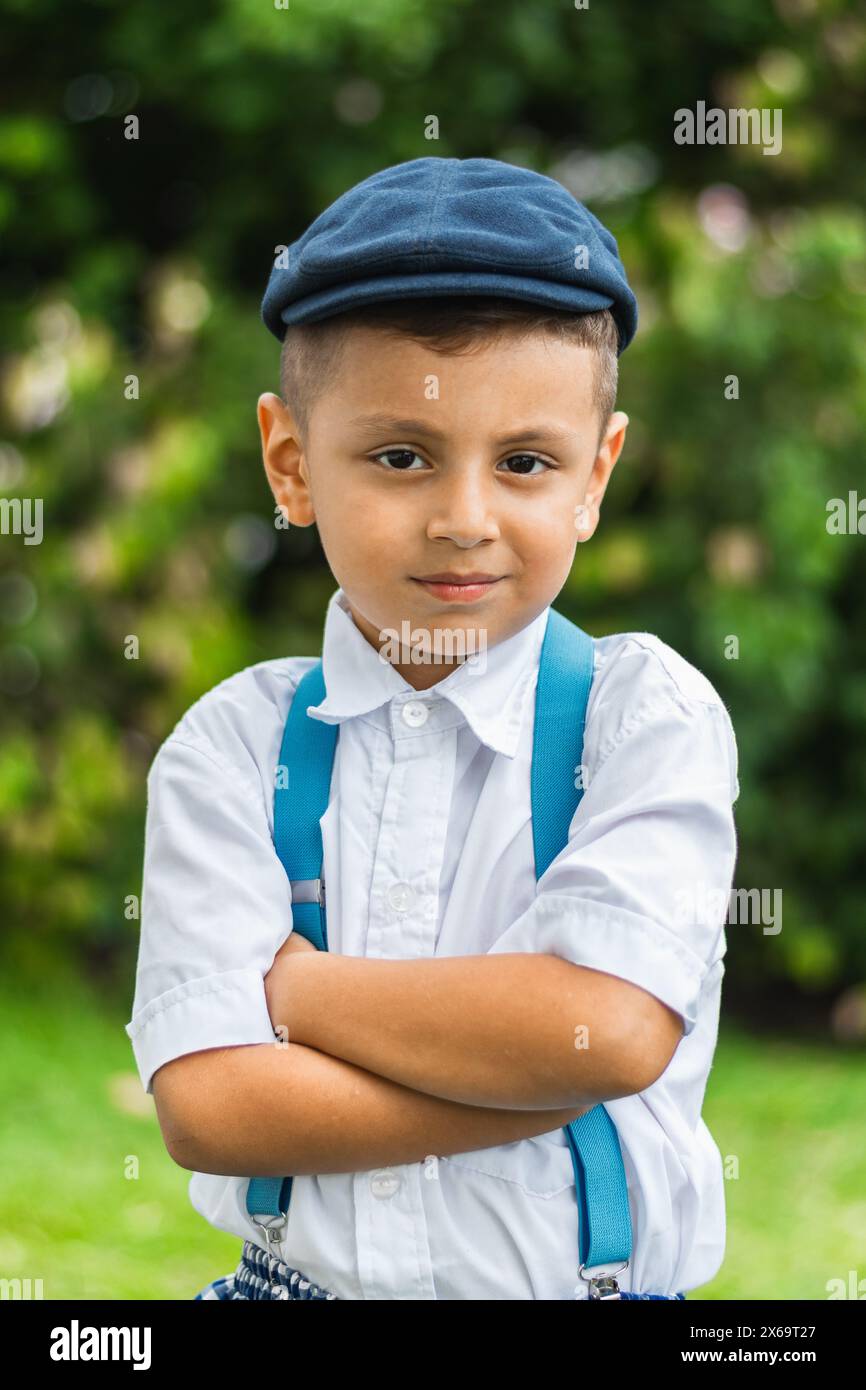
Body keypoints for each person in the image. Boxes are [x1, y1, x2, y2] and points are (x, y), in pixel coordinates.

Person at [125, 156, 739, 1301]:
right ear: (291, 462)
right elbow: (212, 1108)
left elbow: (599, 1035)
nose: (464, 519)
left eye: (523, 463)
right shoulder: (231, 747)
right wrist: (515, 1076)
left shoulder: (641, 715)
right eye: (400, 456)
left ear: (593, 476)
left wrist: (298, 996)